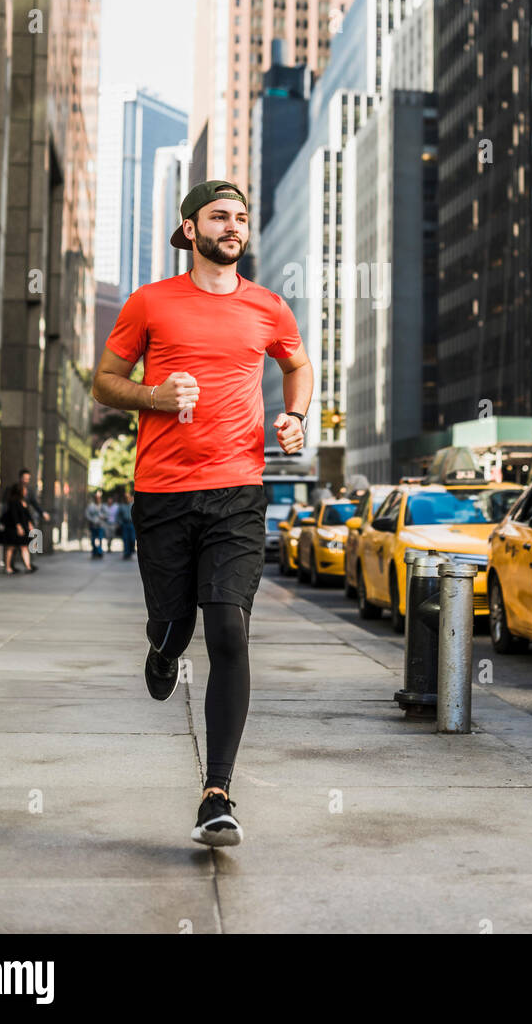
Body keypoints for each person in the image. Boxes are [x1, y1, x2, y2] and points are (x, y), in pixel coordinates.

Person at [92, 179, 313, 848]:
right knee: (175, 624)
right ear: (189, 229)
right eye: (219, 216)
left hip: (237, 490)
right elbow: (103, 381)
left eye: (242, 217)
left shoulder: (268, 307)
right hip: (161, 493)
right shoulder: (150, 302)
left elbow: (298, 365)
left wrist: (294, 416)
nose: (233, 225)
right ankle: (161, 648)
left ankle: (216, 793)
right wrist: (156, 395)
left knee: (228, 629)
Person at [0, 482, 38, 574]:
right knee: (11, 547)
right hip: (13, 528)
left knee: (24, 546)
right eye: (24, 490)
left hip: (23, 528)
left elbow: (27, 516)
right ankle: (8, 567)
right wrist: (18, 526)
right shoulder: (13, 502)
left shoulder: (23, 502)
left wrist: (30, 525)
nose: (26, 491)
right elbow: (14, 515)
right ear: (20, 491)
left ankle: (28, 566)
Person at [86, 491, 105, 559]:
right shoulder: (91, 506)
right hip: (93, 525)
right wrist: (92, 520)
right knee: (93, 540)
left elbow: (106, 514)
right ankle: (94, 552)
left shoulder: (103, 506)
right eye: (97, 498)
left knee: (100, 539)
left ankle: (99, 552)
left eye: (99, 498)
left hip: (100, 525)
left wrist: (102, 516)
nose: (98, 499)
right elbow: (87, 515)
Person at [118, 489, 136, 558]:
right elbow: (118, 516)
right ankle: (126, 553)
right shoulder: (121, 506)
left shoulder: (133, 505)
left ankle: (131, 550)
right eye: (125, 497)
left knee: (132, 538)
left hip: (132, 524)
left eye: (128, 497)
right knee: (125, 539)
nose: (127, 499)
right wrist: (120, 523)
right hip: (125, 524)